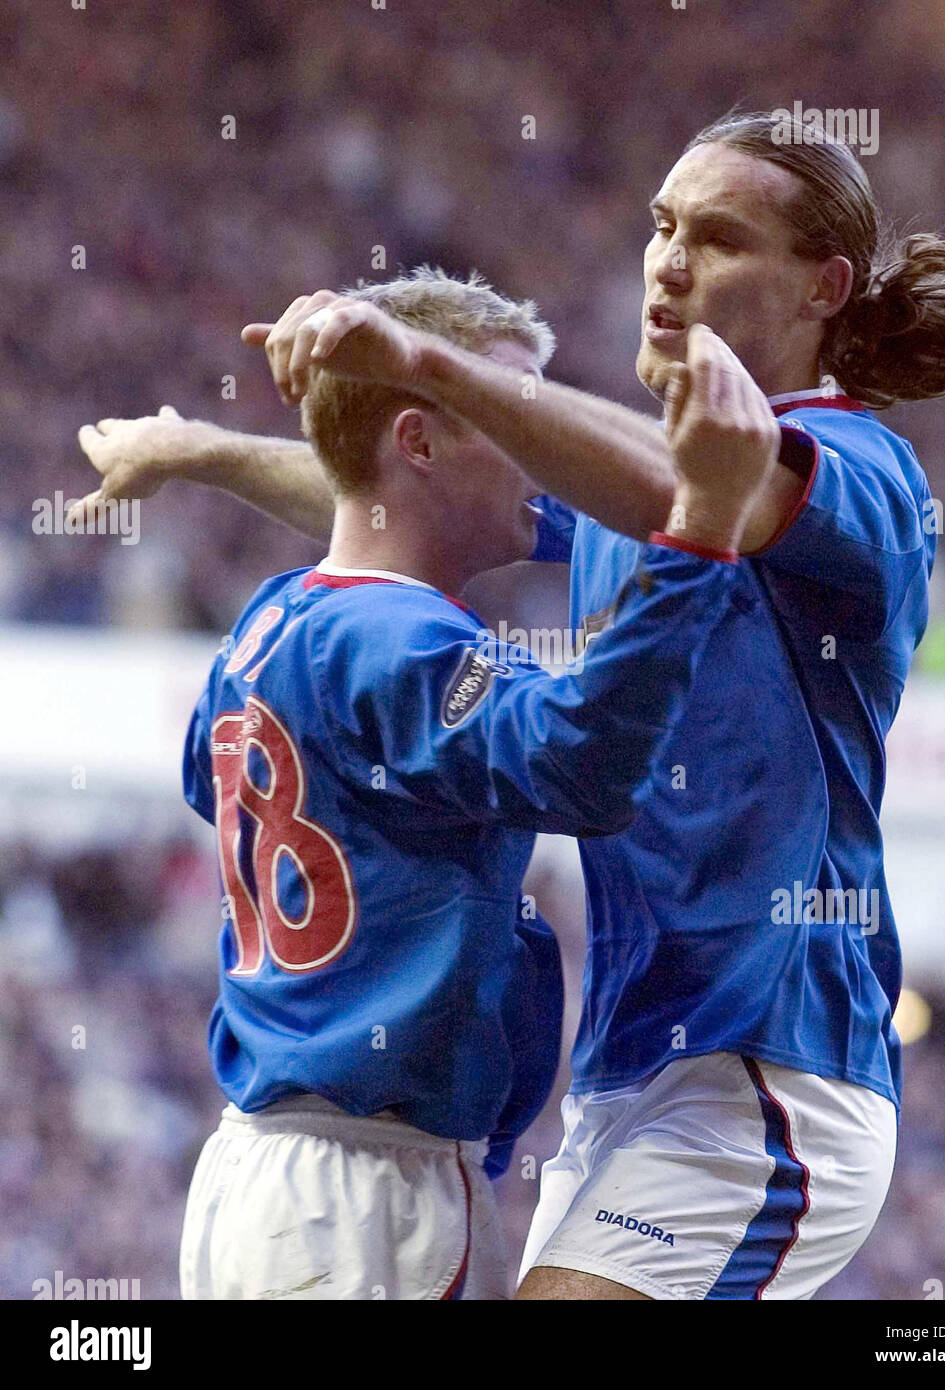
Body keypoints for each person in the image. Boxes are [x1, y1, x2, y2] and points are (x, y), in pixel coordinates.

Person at [76, 113, 945, 1300]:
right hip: (630, 1070)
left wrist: (430, 364)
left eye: (720, 239)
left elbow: (698, 490)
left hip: (769, 1064)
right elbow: (421, 490)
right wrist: (207, 450)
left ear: (822, 287)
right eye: (662, 226)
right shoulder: (638, 484)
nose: (669, 262)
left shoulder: (856, 472)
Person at [174, 267, 782, 1300]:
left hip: (255, 1172)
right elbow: (583, 768)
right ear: (416, 442)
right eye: (510, 414)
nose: (541, 450)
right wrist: (699, 538)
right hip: (369, 1190)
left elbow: (211, 778)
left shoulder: (271, 618)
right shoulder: (405, 640)